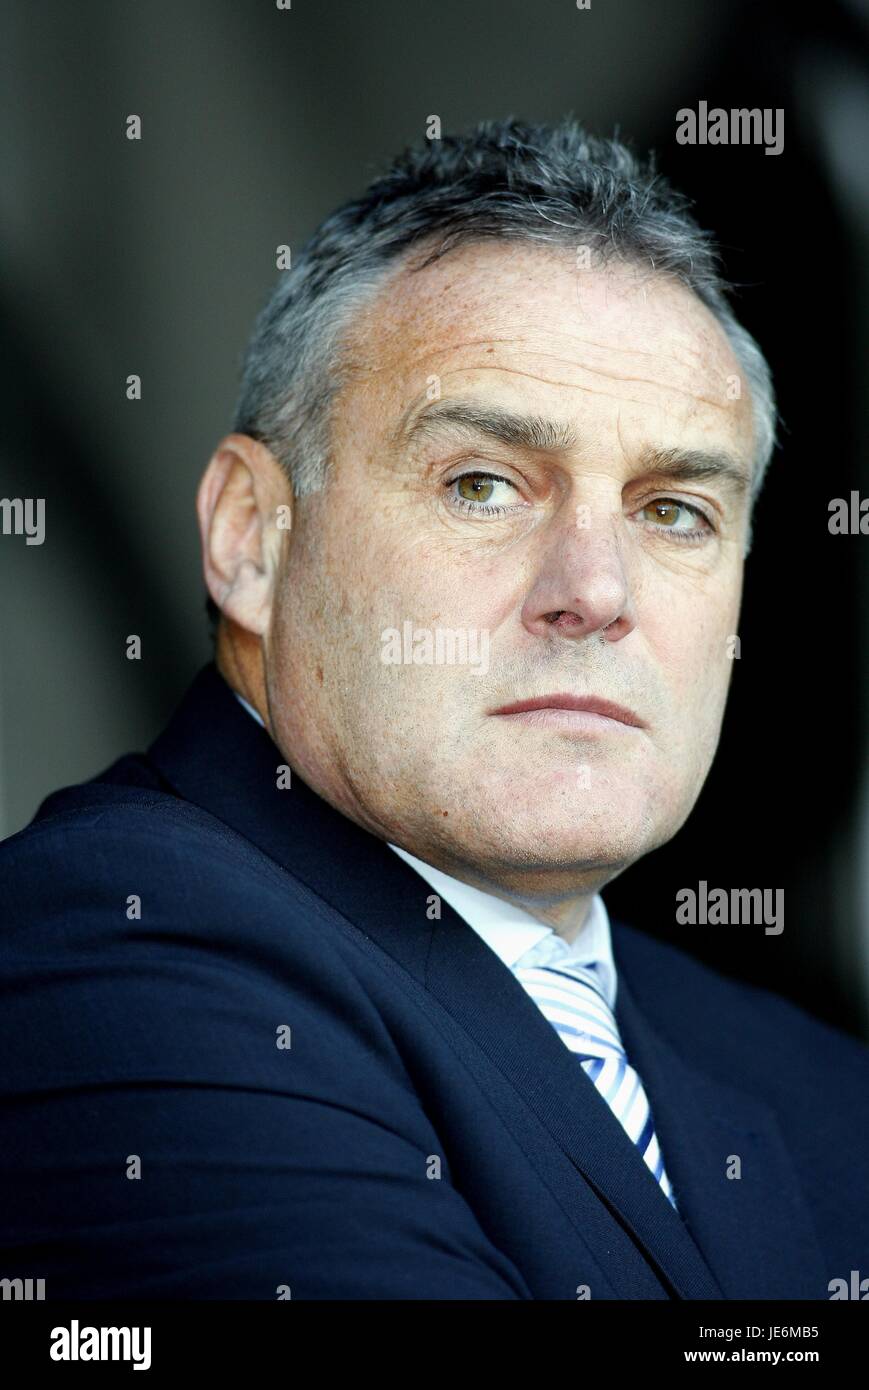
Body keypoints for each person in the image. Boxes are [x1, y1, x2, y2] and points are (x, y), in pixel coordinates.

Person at [2, 117, 867, 1300]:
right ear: (251, 538)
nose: (596, 592)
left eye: (673, 511)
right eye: (482, 484)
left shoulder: (811, 1077)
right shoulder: (105, 947)